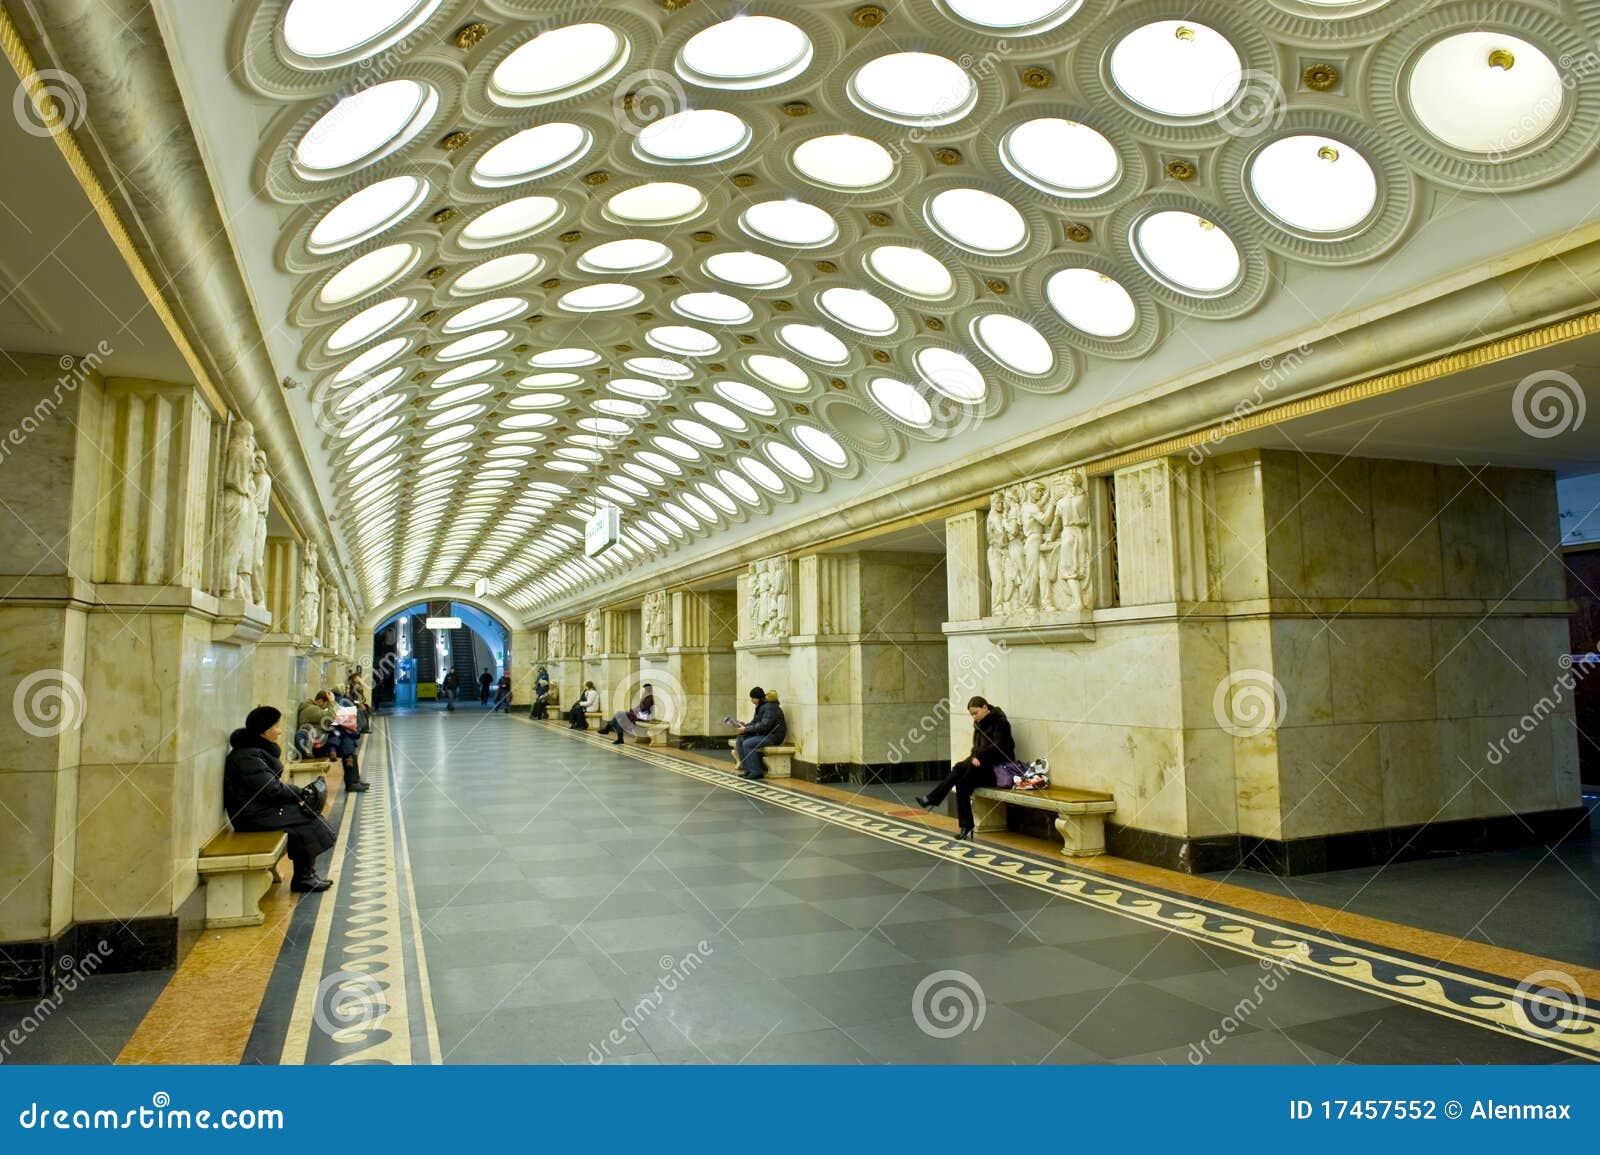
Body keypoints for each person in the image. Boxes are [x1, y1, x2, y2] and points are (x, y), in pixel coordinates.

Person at [224, 706, 337, 893]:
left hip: (258, 809)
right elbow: (270, 789)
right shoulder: (247, 757)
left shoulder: (253, 751)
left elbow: (269, 788)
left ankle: (306, 876)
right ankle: (304, 878)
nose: (280, 731)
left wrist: (295, 794)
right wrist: (298, 793)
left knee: (305, 817)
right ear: (266, 730)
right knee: (306, 819)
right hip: (250, 815)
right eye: (277, 726)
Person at [917, 696, 1015, 841]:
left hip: (997, 771)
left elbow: (1000, 747)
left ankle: (933, 798)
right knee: (962, 782)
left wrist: (980, 757)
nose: (974, 716)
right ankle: (966, 826)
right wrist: (975, 758)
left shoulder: (1000, 722)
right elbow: (976, 750)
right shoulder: (979, 724)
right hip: (981, 769)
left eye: (976, 713)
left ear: (985, 707)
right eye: (972, 714)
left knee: (959, 769)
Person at [733, 687, 786, 780]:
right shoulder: (761, 706)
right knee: (740, 740)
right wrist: (744, 726)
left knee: (747, 744)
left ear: (758, 698)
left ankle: (756, 771)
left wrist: (746, 729)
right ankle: (748, 770)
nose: (751, 700)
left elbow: (764, 725)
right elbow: (755, 722)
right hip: (764, 734)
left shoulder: (770, 707)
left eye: (753, 698)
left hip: (773, 736)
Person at [294, 689, 335, 761]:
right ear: (320, 701)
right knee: (338, 734)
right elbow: (330, 716)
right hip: (314, 743)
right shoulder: (311, 709)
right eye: (327, 704)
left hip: (315, 740)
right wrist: (332, 702)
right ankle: (335, 752)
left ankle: (336, 752)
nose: (326, 707)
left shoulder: (312, 707)